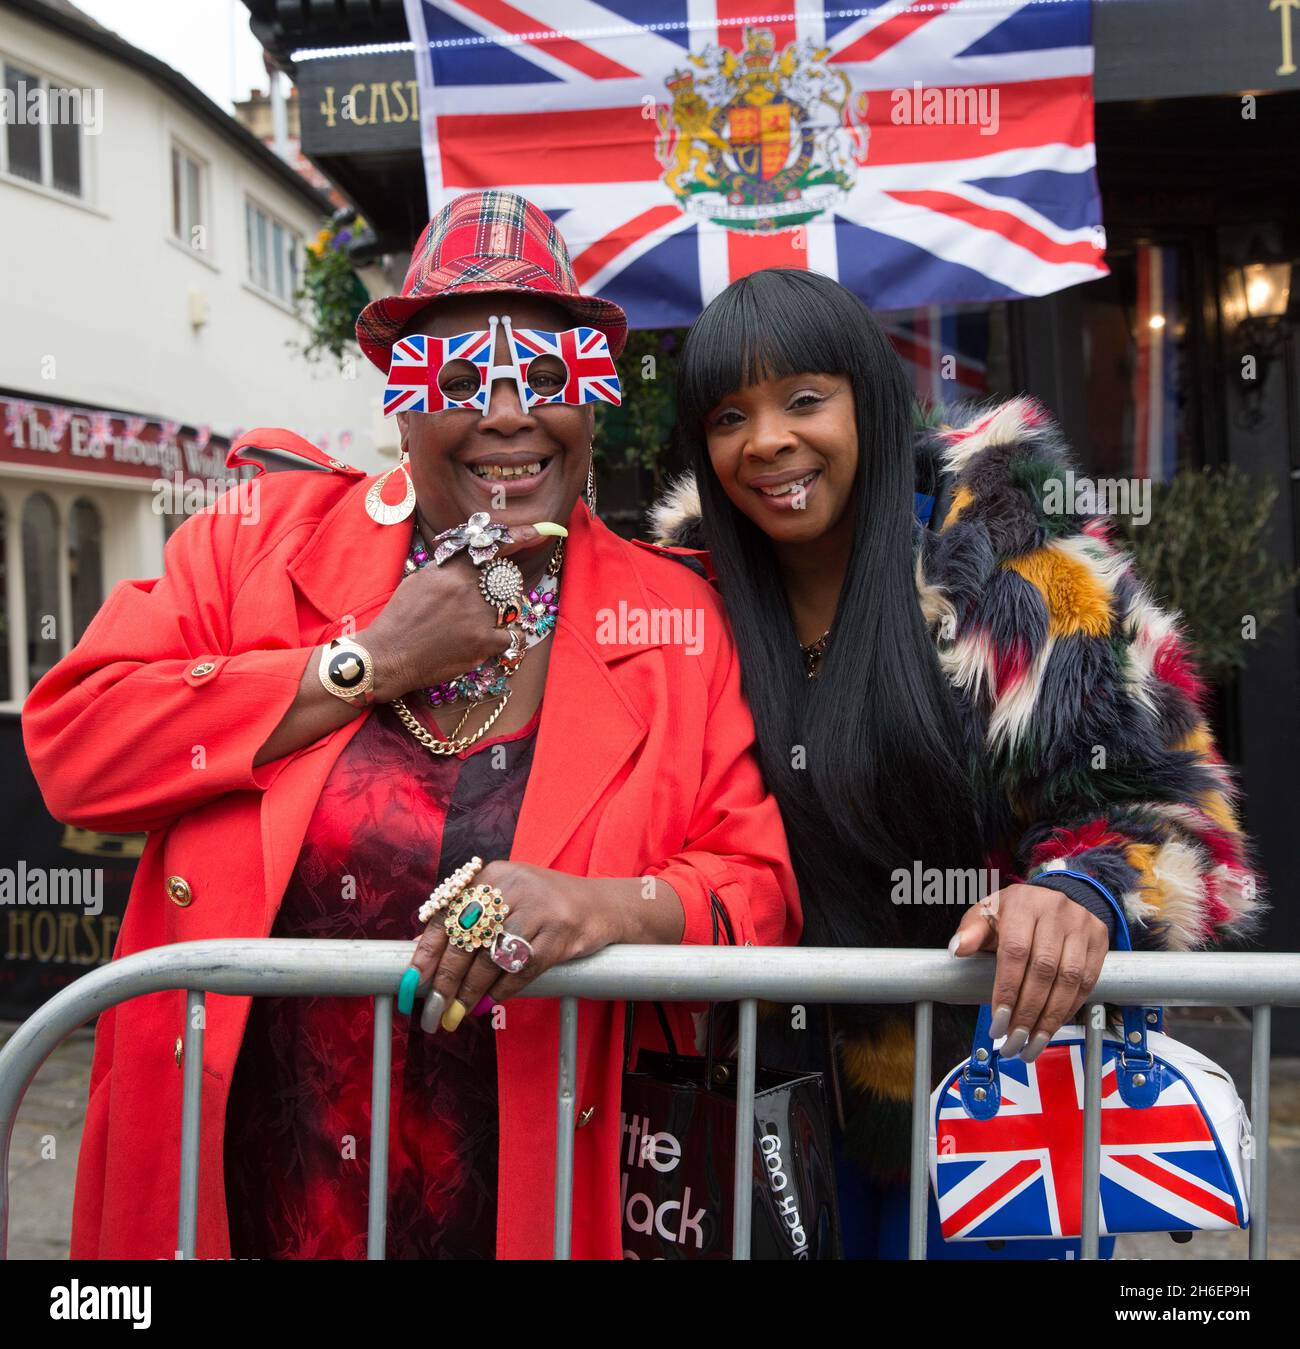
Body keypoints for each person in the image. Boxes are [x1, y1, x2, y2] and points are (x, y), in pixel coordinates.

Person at [22, 190, 799, 1260]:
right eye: (459, 378)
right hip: (243, 1202)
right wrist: (366, 661)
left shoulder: (671, 622)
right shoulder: (255, 545)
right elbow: (77, 747)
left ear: (596, 398)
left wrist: (599, 907)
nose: (509, 414)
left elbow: (756, 889)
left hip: (517, 1200)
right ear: (400, 398)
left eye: (547, 373)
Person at [652, 267, 1263, 1259]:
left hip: (999, 1101)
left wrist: (1077, 889)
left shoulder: (1015, 558)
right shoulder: (684, 596)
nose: (766, 439)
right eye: (729, 414)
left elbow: (1170, 811)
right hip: (767, 1102)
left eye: (804, 398)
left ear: (870, 399)